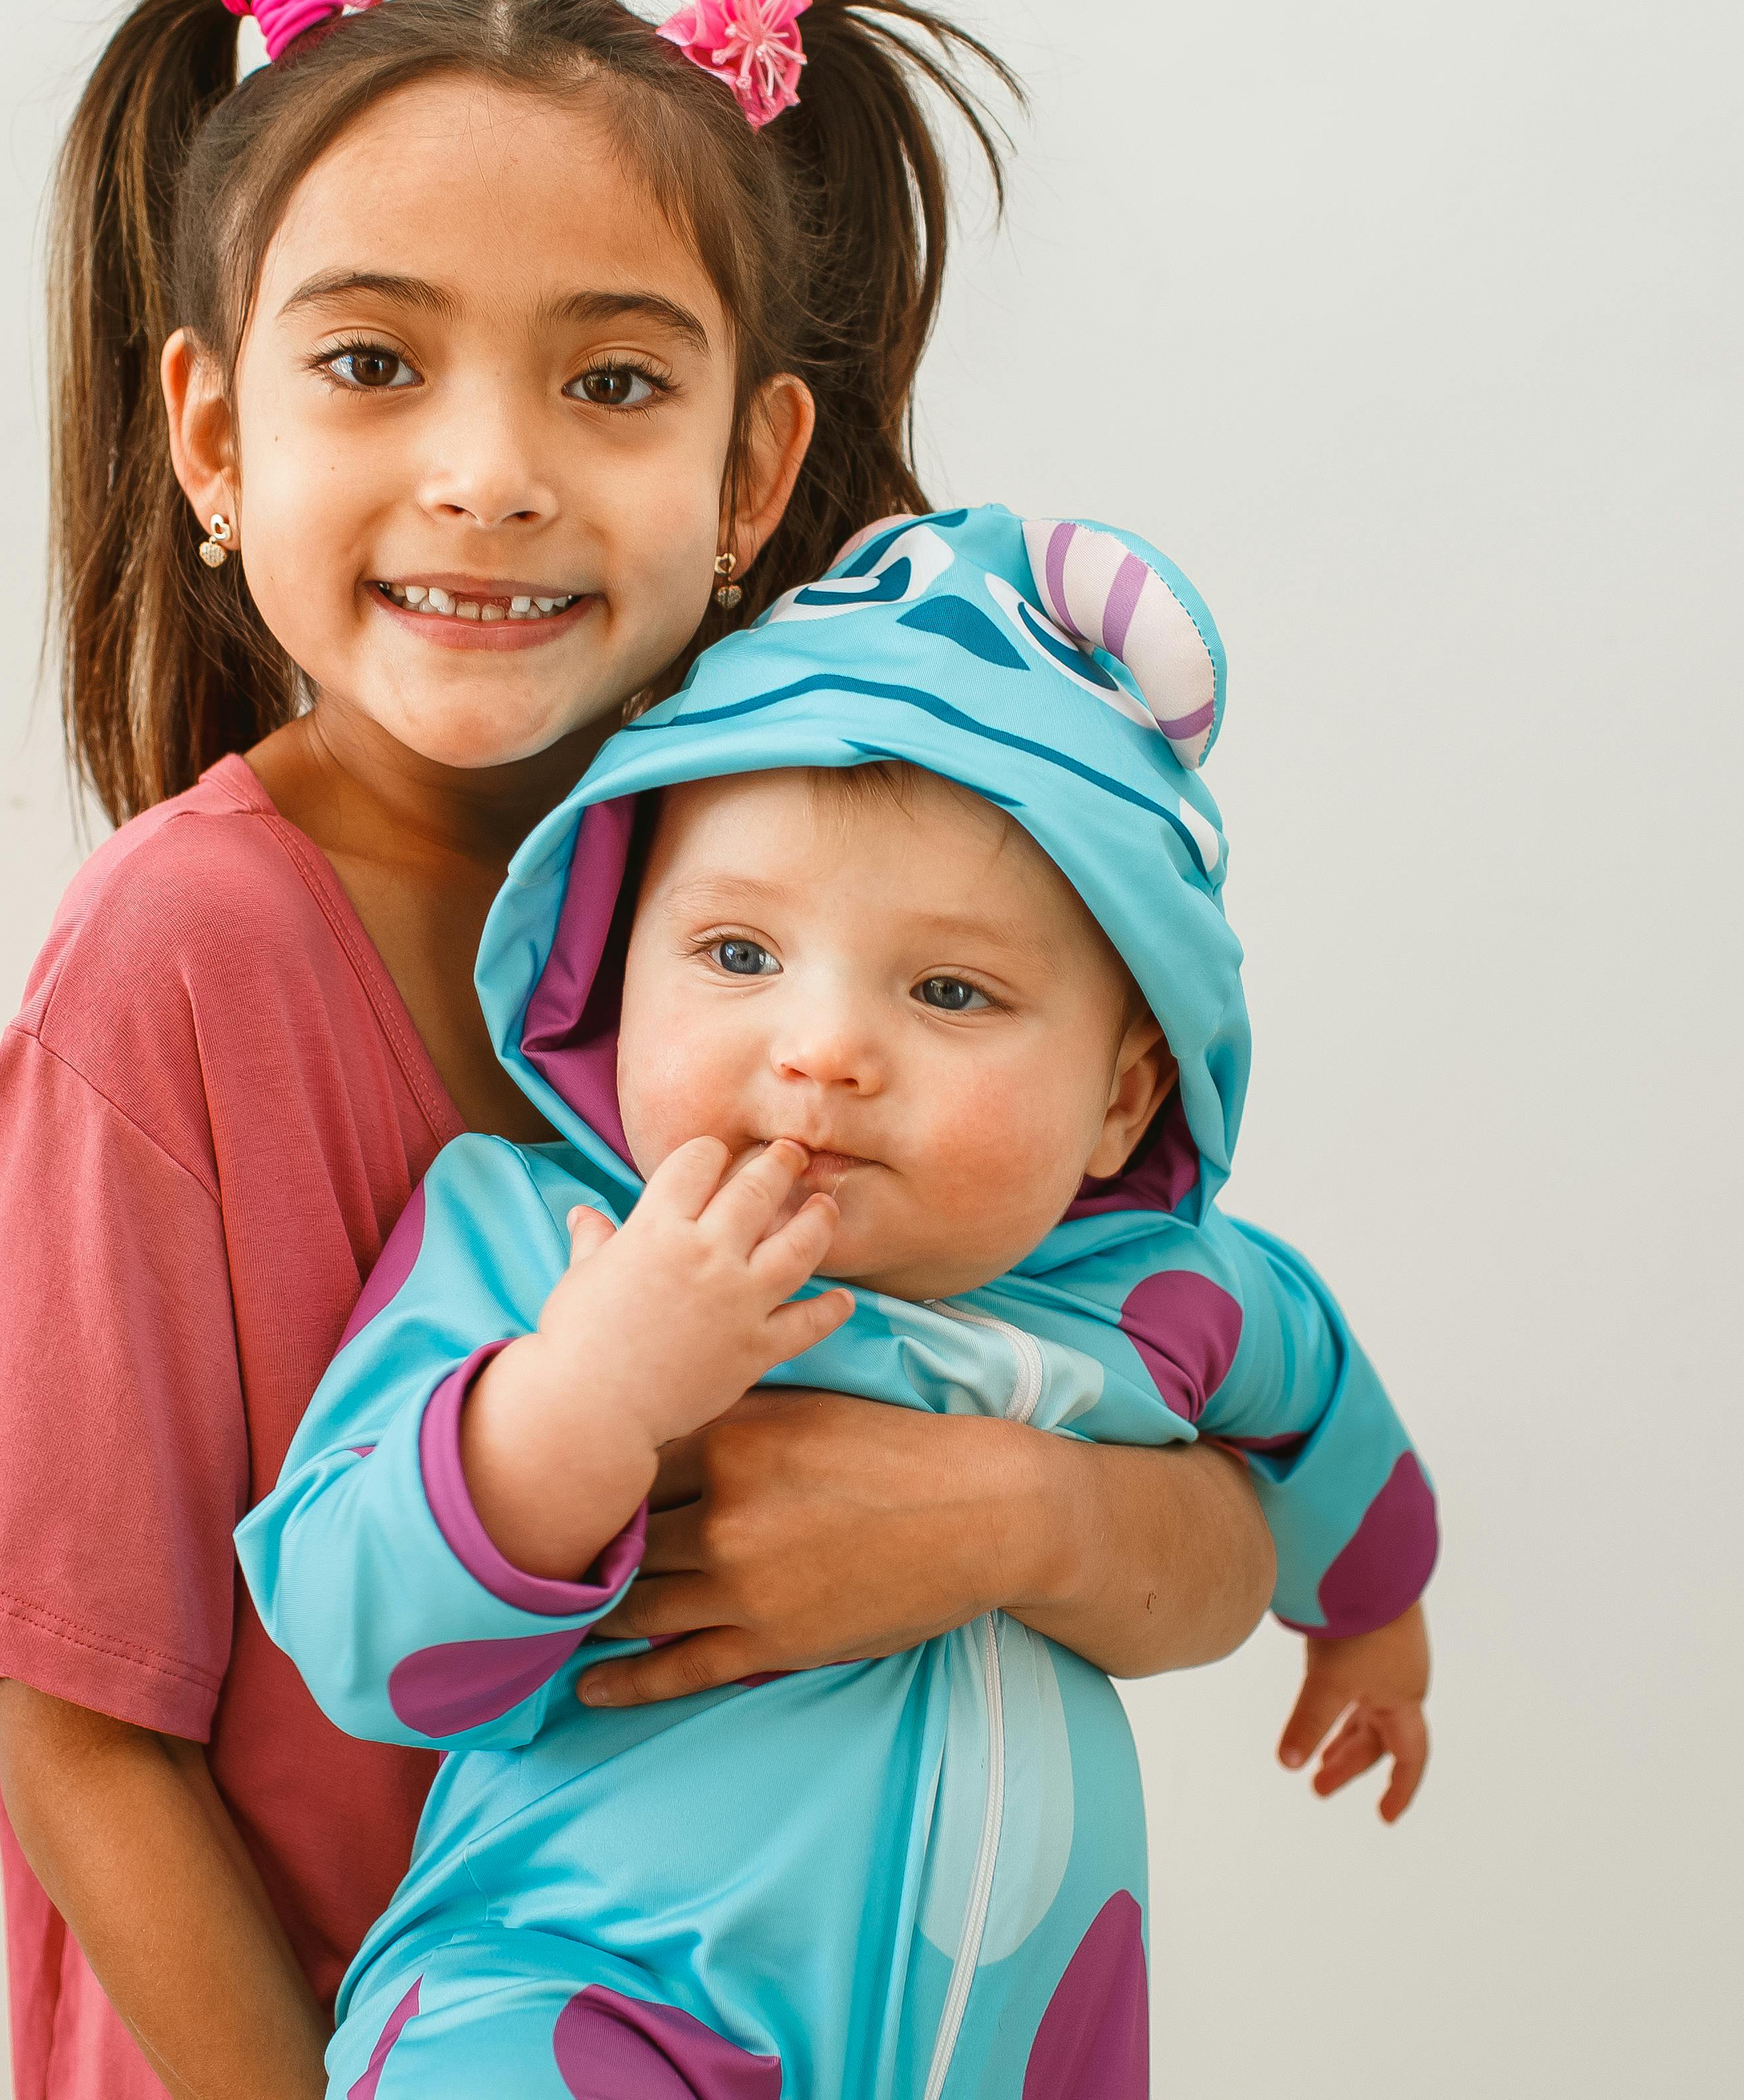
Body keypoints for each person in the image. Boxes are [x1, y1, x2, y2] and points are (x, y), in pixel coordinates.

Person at [0, 0, 1292, 2100]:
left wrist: (1013, 1513)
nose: (490, 472)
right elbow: (83, 1740)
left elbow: (1223, 1505)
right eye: (373, 360)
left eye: (612, 379)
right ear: (215, 436)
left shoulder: (870, 899)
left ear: (752, 465)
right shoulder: (176, 967)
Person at [239, 506, 1438, 2097]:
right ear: (614, 966)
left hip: (1019, 2044)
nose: (822, 1051)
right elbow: (350, 1632)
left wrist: (1372, 1621)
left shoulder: (1173, 1299)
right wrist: (587, 1389)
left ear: (1120, 1095)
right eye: (737, 952)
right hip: (590, 1995)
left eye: (947, 992)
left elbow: (1321, 1406)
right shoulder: (542, 1238)